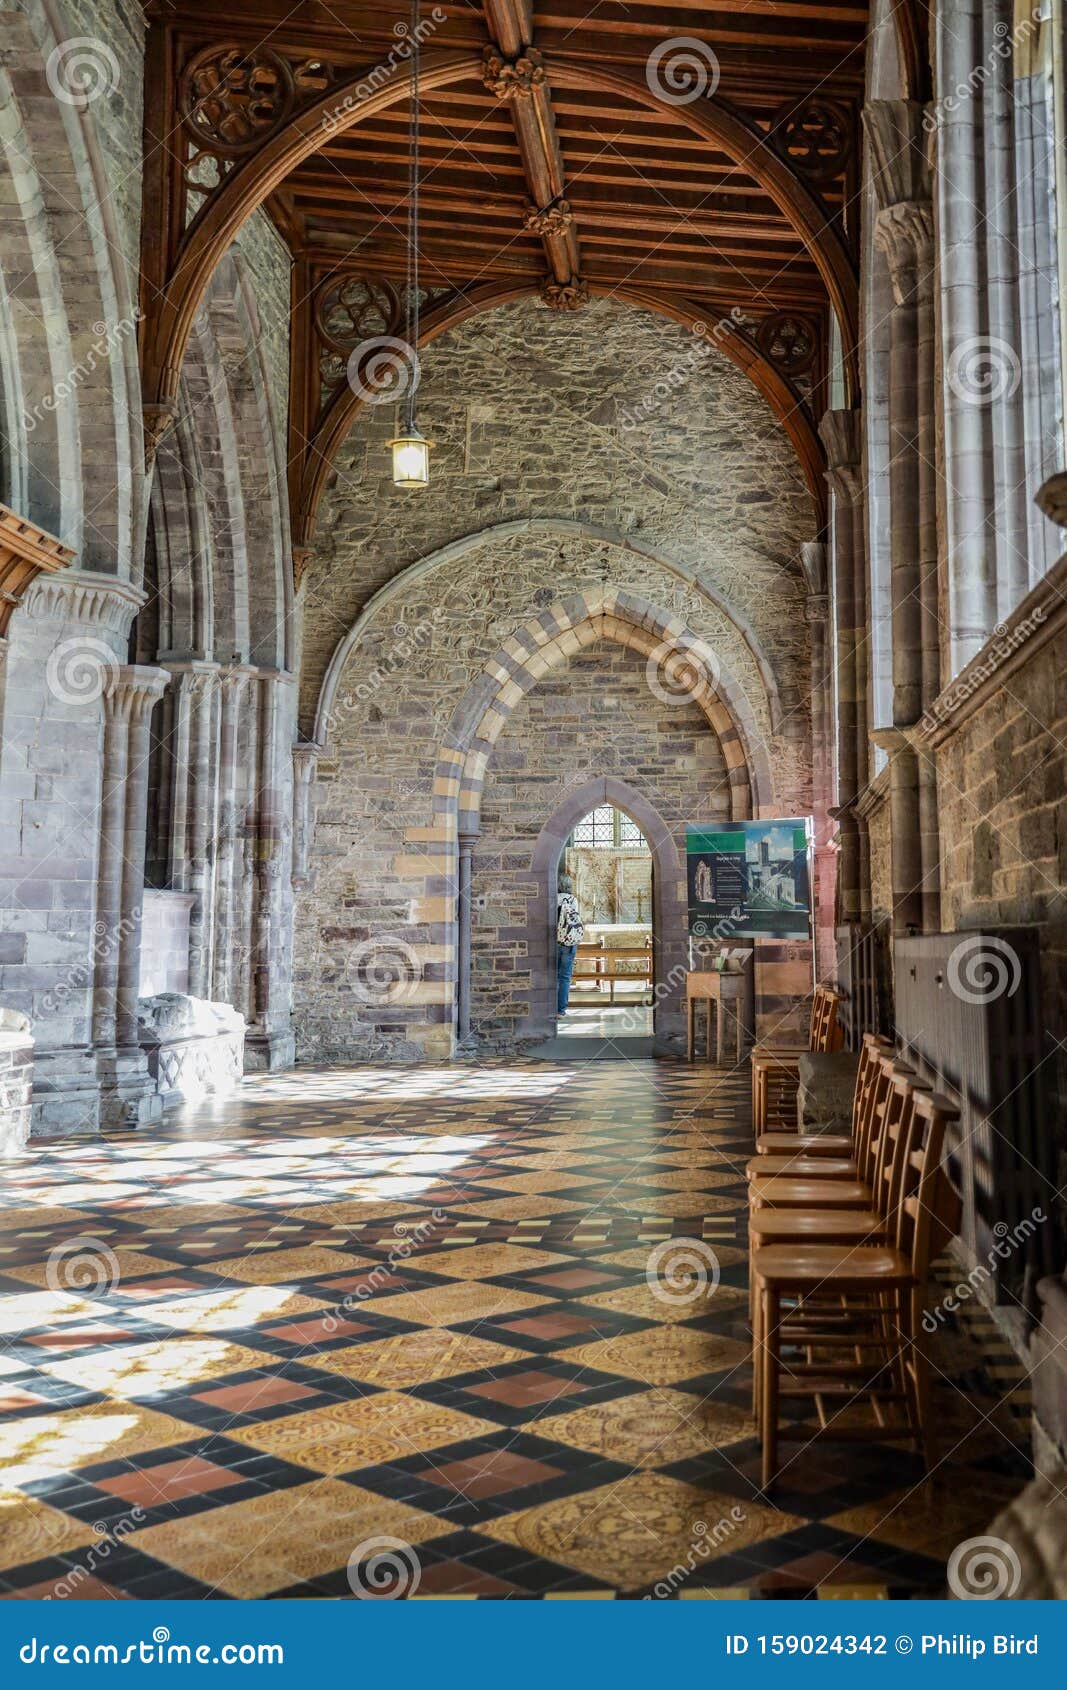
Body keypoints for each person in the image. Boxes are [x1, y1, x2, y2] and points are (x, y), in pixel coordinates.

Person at [556, 872, 585, 1015]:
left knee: (553, 976)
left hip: (554, 941)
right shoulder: (573, 900)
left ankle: (550, 1008)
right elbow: (575, 922)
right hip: (568, 942)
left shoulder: (552, 898)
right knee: (565, 977)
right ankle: (561, 1010)